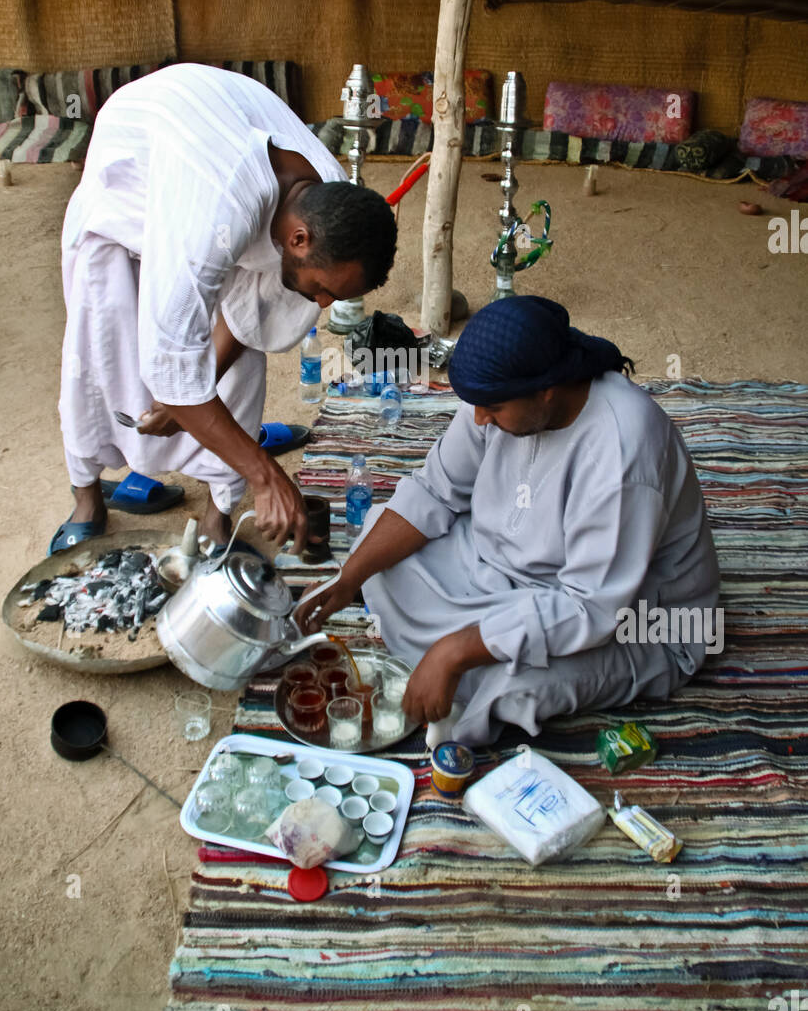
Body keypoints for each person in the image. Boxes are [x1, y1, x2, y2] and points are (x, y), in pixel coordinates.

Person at [296, 295, 720, 746]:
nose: (480, 419)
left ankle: (457, 672)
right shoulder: (498, 394)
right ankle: (457, 659)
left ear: (547, 390)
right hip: (500, 572)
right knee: (380, 558)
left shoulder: (623, 453)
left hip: (626, 621)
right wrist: (348, 578)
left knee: (514, 690)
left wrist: (455, 651)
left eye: (493, 409)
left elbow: (589, 609)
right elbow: (435, 490)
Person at [52, 63, 397, 555]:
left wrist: (188, 398)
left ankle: (218, 516)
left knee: (231, 365)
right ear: (298, 239)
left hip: (217, 126)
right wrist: (266, 474)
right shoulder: (215, 212)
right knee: (103, 347)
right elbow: (169, 361)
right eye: (324, 290)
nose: (324, 305)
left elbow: (250, 318)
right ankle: (87, 499)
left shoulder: (329, 198)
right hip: (137, 155)